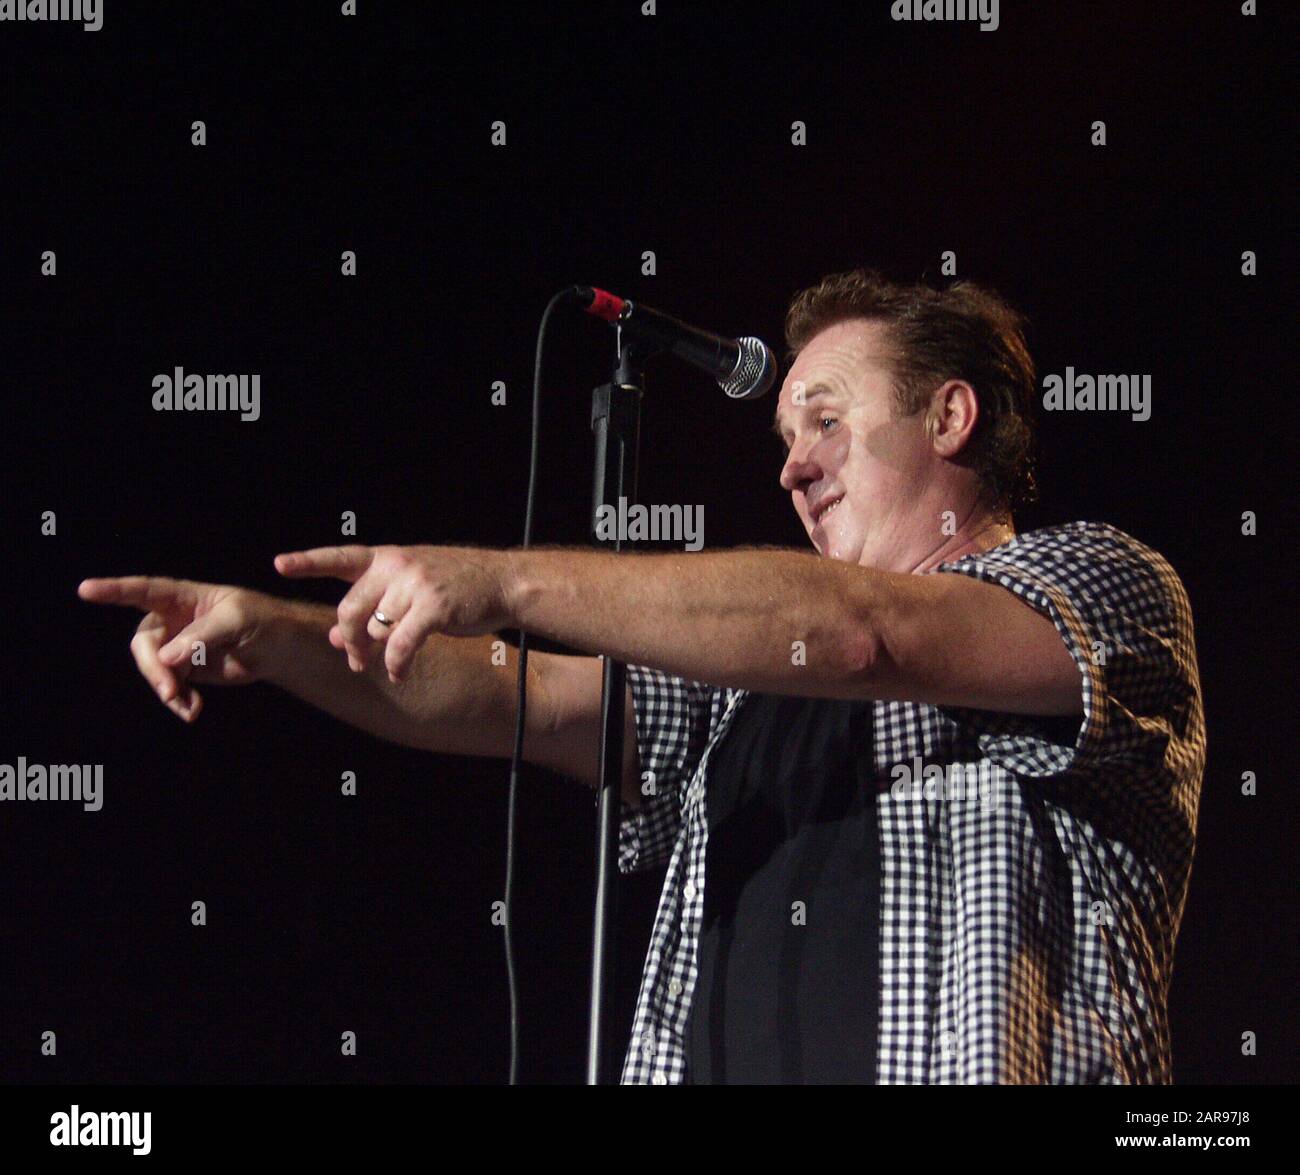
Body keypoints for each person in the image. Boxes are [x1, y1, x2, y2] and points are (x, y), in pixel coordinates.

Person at [79, 268, 1205, 1084]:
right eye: (781, 432)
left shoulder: (1099, 588)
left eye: (825, 418)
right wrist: (273, 636)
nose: (790, 464)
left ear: (949, 415)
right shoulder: (736, 692)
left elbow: (867, 631)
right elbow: (512, 695)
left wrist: (508, 578)